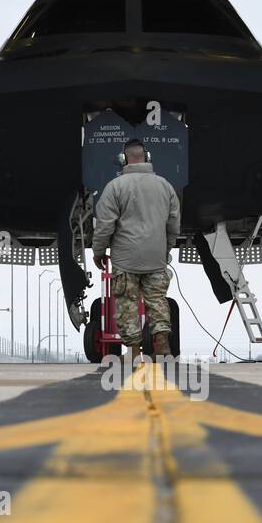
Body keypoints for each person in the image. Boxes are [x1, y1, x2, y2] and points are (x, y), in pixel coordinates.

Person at [90, 137, 181, 360]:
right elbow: (173, 224)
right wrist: (165, 248)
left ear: (124, 159)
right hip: (155, 256)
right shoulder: (165, 186)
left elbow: (104, 224)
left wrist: (98, 251)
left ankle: (133, 352)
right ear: (146, 158)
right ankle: (162, 347)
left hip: (125, 257)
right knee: (157, 300)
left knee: (126, 303)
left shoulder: (114, 187)